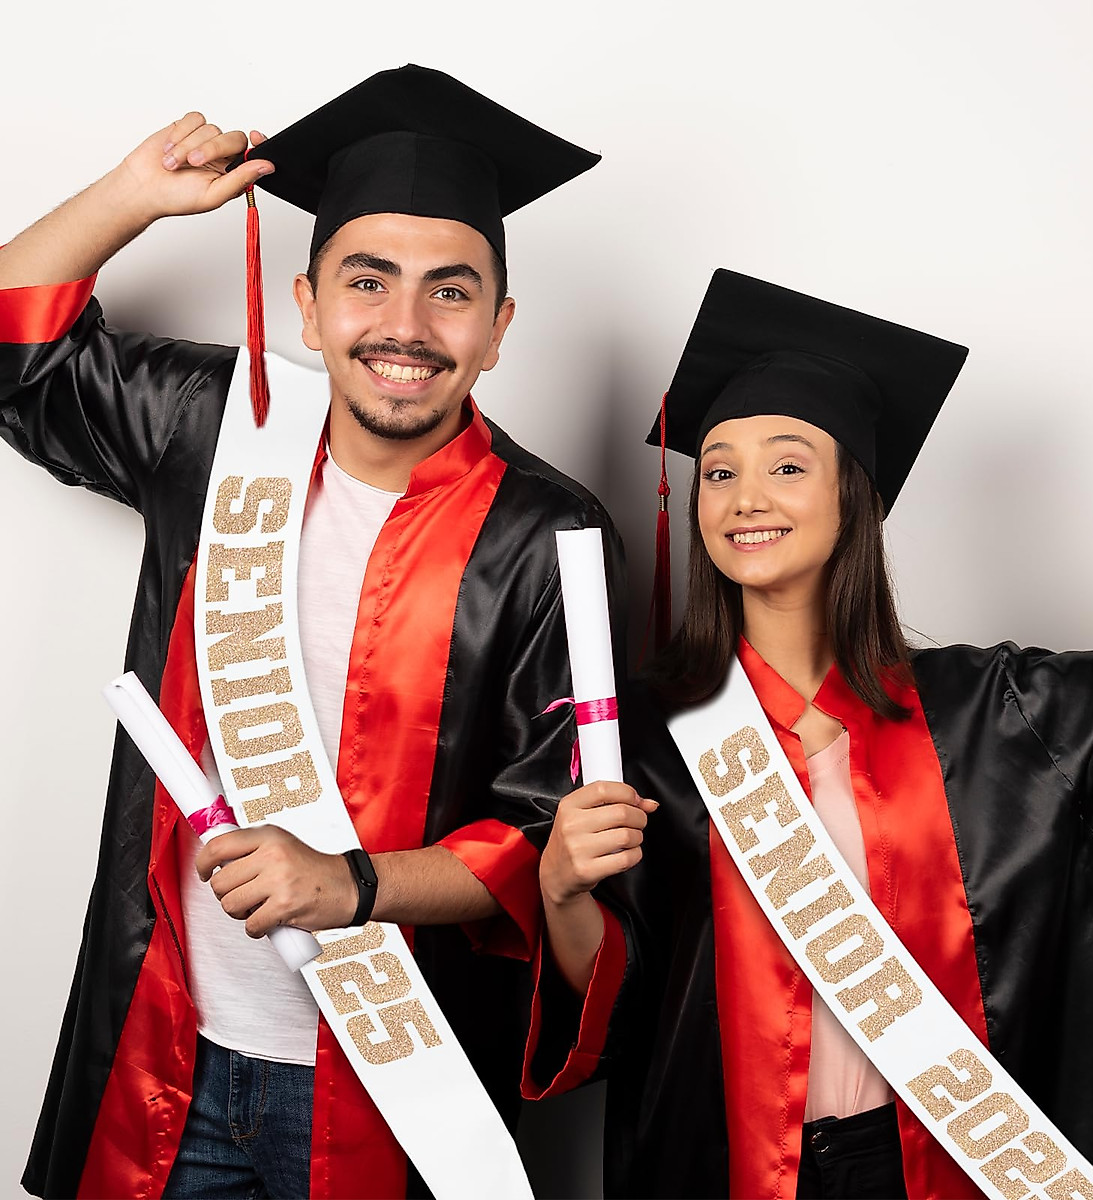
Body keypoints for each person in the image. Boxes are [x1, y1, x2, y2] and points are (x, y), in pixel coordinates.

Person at [0, 65, 621, 1200]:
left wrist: (352, 884)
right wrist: (130, 195)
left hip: (390, 1081)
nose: (404, 326)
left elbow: (549, 837)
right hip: (167, 1049)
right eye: (367, 281)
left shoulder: (550, 532)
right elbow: (13, 349)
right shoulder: (217, 428)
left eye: (450, 291)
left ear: (498, 327)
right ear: (305, 301)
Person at [524, 268, 1093, 1199]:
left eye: (788, 464)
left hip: (948, 1164)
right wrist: (561, 892)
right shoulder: (647, 738)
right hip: (740, 1170)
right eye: (718, 471)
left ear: (857, 497)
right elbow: (627, 1002)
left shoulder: (997, 714)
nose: (743, 496)